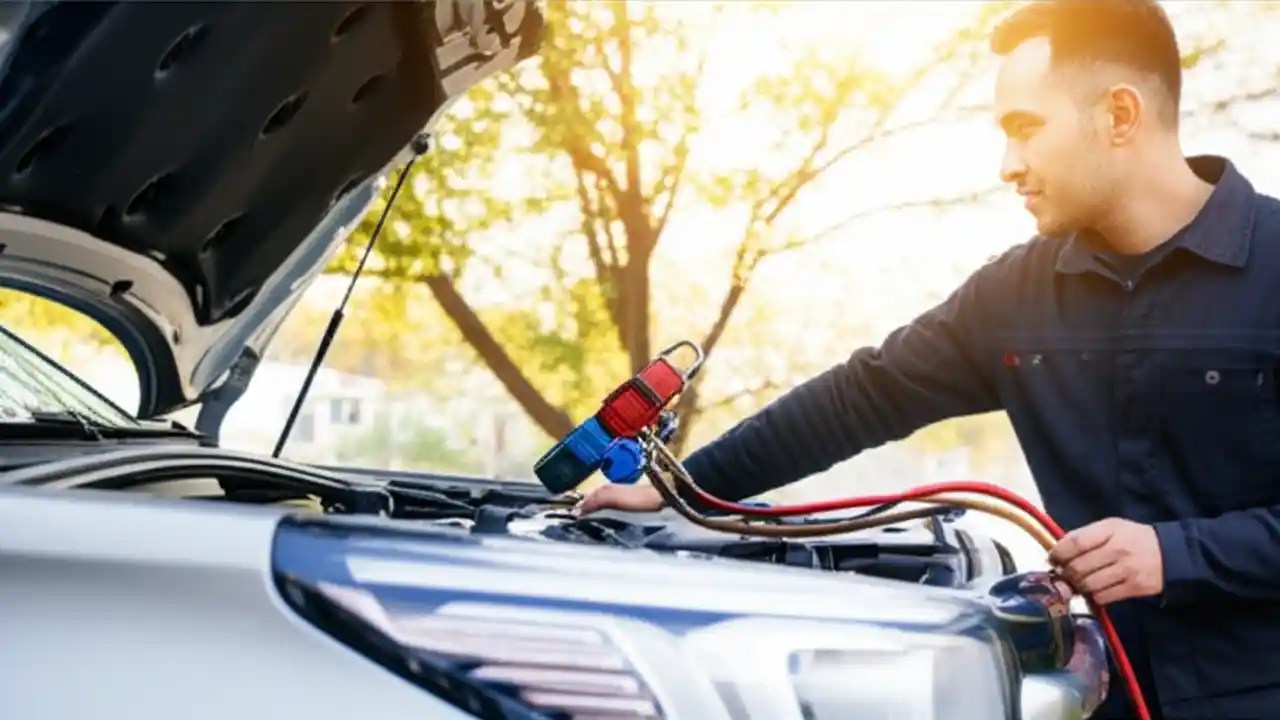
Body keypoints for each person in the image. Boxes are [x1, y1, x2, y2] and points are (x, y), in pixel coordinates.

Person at [576, 1, 1280, 718]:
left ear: (1120, 116)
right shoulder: (1017, 293)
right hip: (1095, 698)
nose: (1009, 166)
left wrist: (1180, 552)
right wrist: (683, 489)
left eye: (1025, 129)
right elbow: (863, 395)